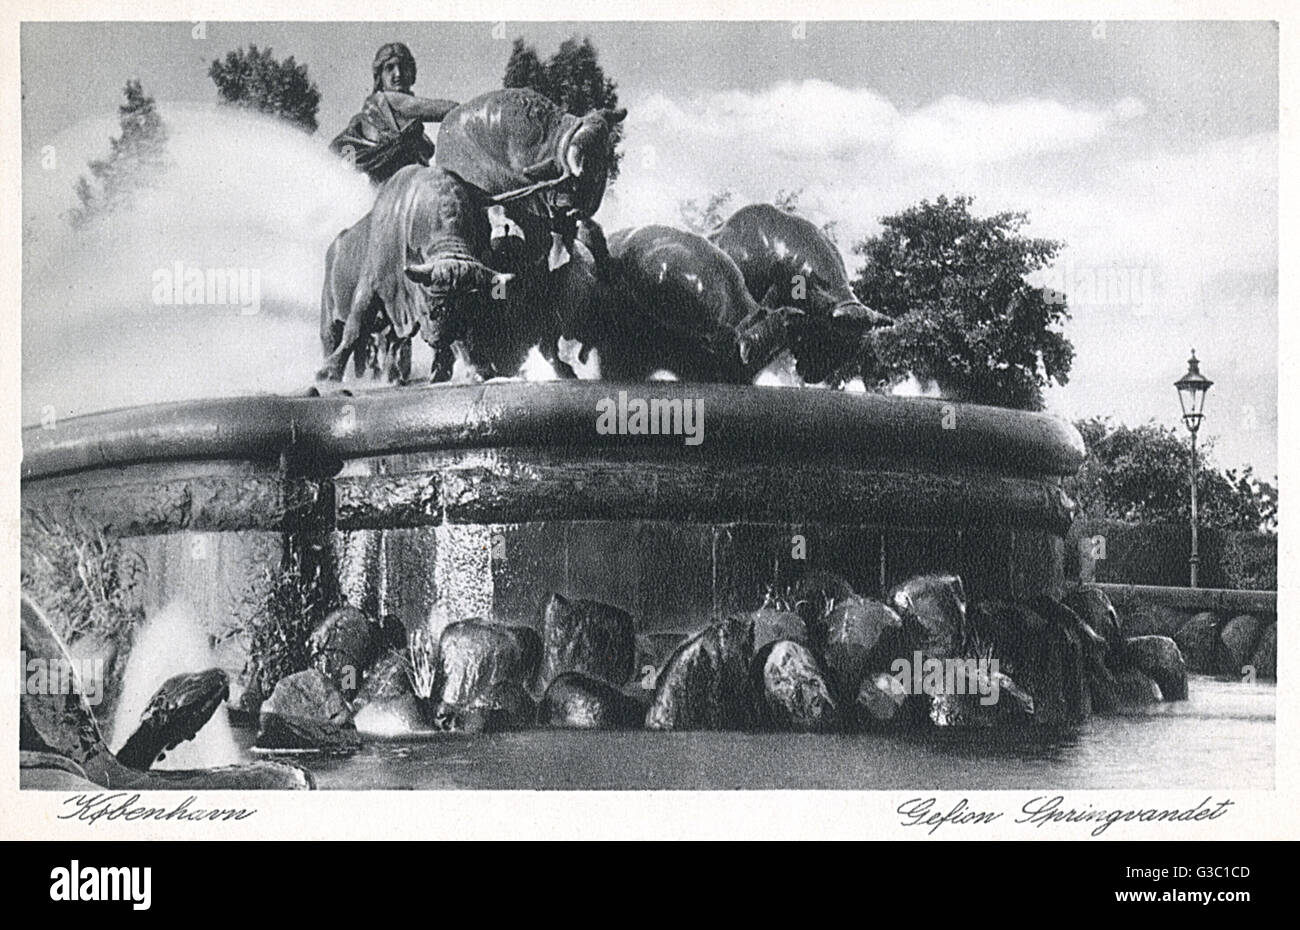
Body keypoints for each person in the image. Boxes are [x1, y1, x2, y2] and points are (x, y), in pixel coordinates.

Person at [329, 42, 459, 184]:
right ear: (380, 78)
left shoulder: (381, 113)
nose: (398, 74)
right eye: (389, 68)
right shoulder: (388, 100)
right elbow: (446, 110)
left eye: (403, 67)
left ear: (412, 73)